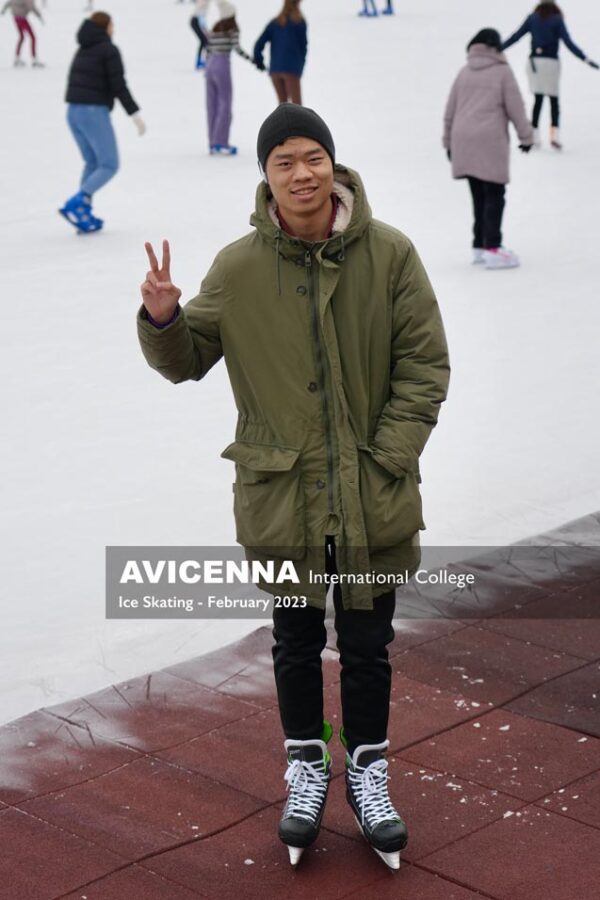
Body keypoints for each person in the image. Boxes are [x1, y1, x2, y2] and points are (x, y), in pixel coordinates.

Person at [137, 103, 449, 869]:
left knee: (370, 644)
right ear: (267, 176)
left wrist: (387, 456)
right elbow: (186, 360)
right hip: (281, 497)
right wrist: (164, 319)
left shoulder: (390, 255)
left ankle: (369, 773)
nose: (301, 173)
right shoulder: (240, 268)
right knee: (296, 641)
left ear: (333, 165)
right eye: (284, 162)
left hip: (373, 493)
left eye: (312, 157)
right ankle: (307, 769)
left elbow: (425, 365)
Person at [443, 28, 534, 269]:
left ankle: (479, 245)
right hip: (489, 140)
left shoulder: (464, 72)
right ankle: (493, 245)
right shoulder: (502, 72)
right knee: (494, 194)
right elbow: (516, 107)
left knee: (478, 195)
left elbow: (450, 110)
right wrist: (527, 137)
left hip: (462, 139)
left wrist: (448, 142)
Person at [59, 11, 145, 233]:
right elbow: (118, 84)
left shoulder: (83, 47)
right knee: (109, 164)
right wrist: (134, 113)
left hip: (73, 112)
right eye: (112, 25)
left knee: (92, 162)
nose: (113, 29)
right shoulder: (108, 49)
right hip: (93, 111)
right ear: (105, 27)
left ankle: (82, 210)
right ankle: (78, 201)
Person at [502, 3, 598, 149]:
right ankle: (554, 135)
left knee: (538, 99)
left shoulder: (532, 18)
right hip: (551, 64)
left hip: (535, 63)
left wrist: (498, 48)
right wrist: (585, 59)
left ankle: (534, 136)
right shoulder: (557, 19)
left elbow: (516, 36)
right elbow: (568, 42)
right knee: (554, 100)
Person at [194, 0, 255, 155]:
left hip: (210, 65)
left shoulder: (215, 28)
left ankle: (212, 142)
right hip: (222, 65)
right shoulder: (232, 29)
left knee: (211, 103)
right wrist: (251, 59)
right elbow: (237, 48)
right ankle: (221, 141)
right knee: (225, 103)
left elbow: (208, 46)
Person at [254, 0, 307, 105]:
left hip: (275, 69)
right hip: (292, 70)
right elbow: (303, 47)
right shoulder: (300, 23)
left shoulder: (275, 23)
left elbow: (259, 44)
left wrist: (258, 60)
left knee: (283, 106)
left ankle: (283, 122)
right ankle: (296, 122)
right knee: (298, 107)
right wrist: (300, 68)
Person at [1, 0, 44, 67]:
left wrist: (4, 9)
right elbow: (31, 6)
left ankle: (17, 58)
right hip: (22, 18)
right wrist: (39, 16)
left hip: (16, 18)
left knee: (22, 37)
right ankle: (34, 59)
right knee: (33, 37)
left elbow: (9, 2)